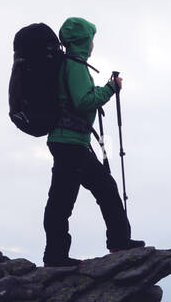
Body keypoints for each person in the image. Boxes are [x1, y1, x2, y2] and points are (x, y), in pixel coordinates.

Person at [43, 17, 144, 268]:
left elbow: (79, 99)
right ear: (83, 41)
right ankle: (57, 256)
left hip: (70, 141)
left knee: (96, 191)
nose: (92, 45)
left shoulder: (69, 64)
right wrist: (110, 89)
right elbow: (83, 102)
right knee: (66, 200)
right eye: (91, 39)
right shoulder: (75, 66)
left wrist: (104, 90)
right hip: (71, 143)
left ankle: (117, 240)